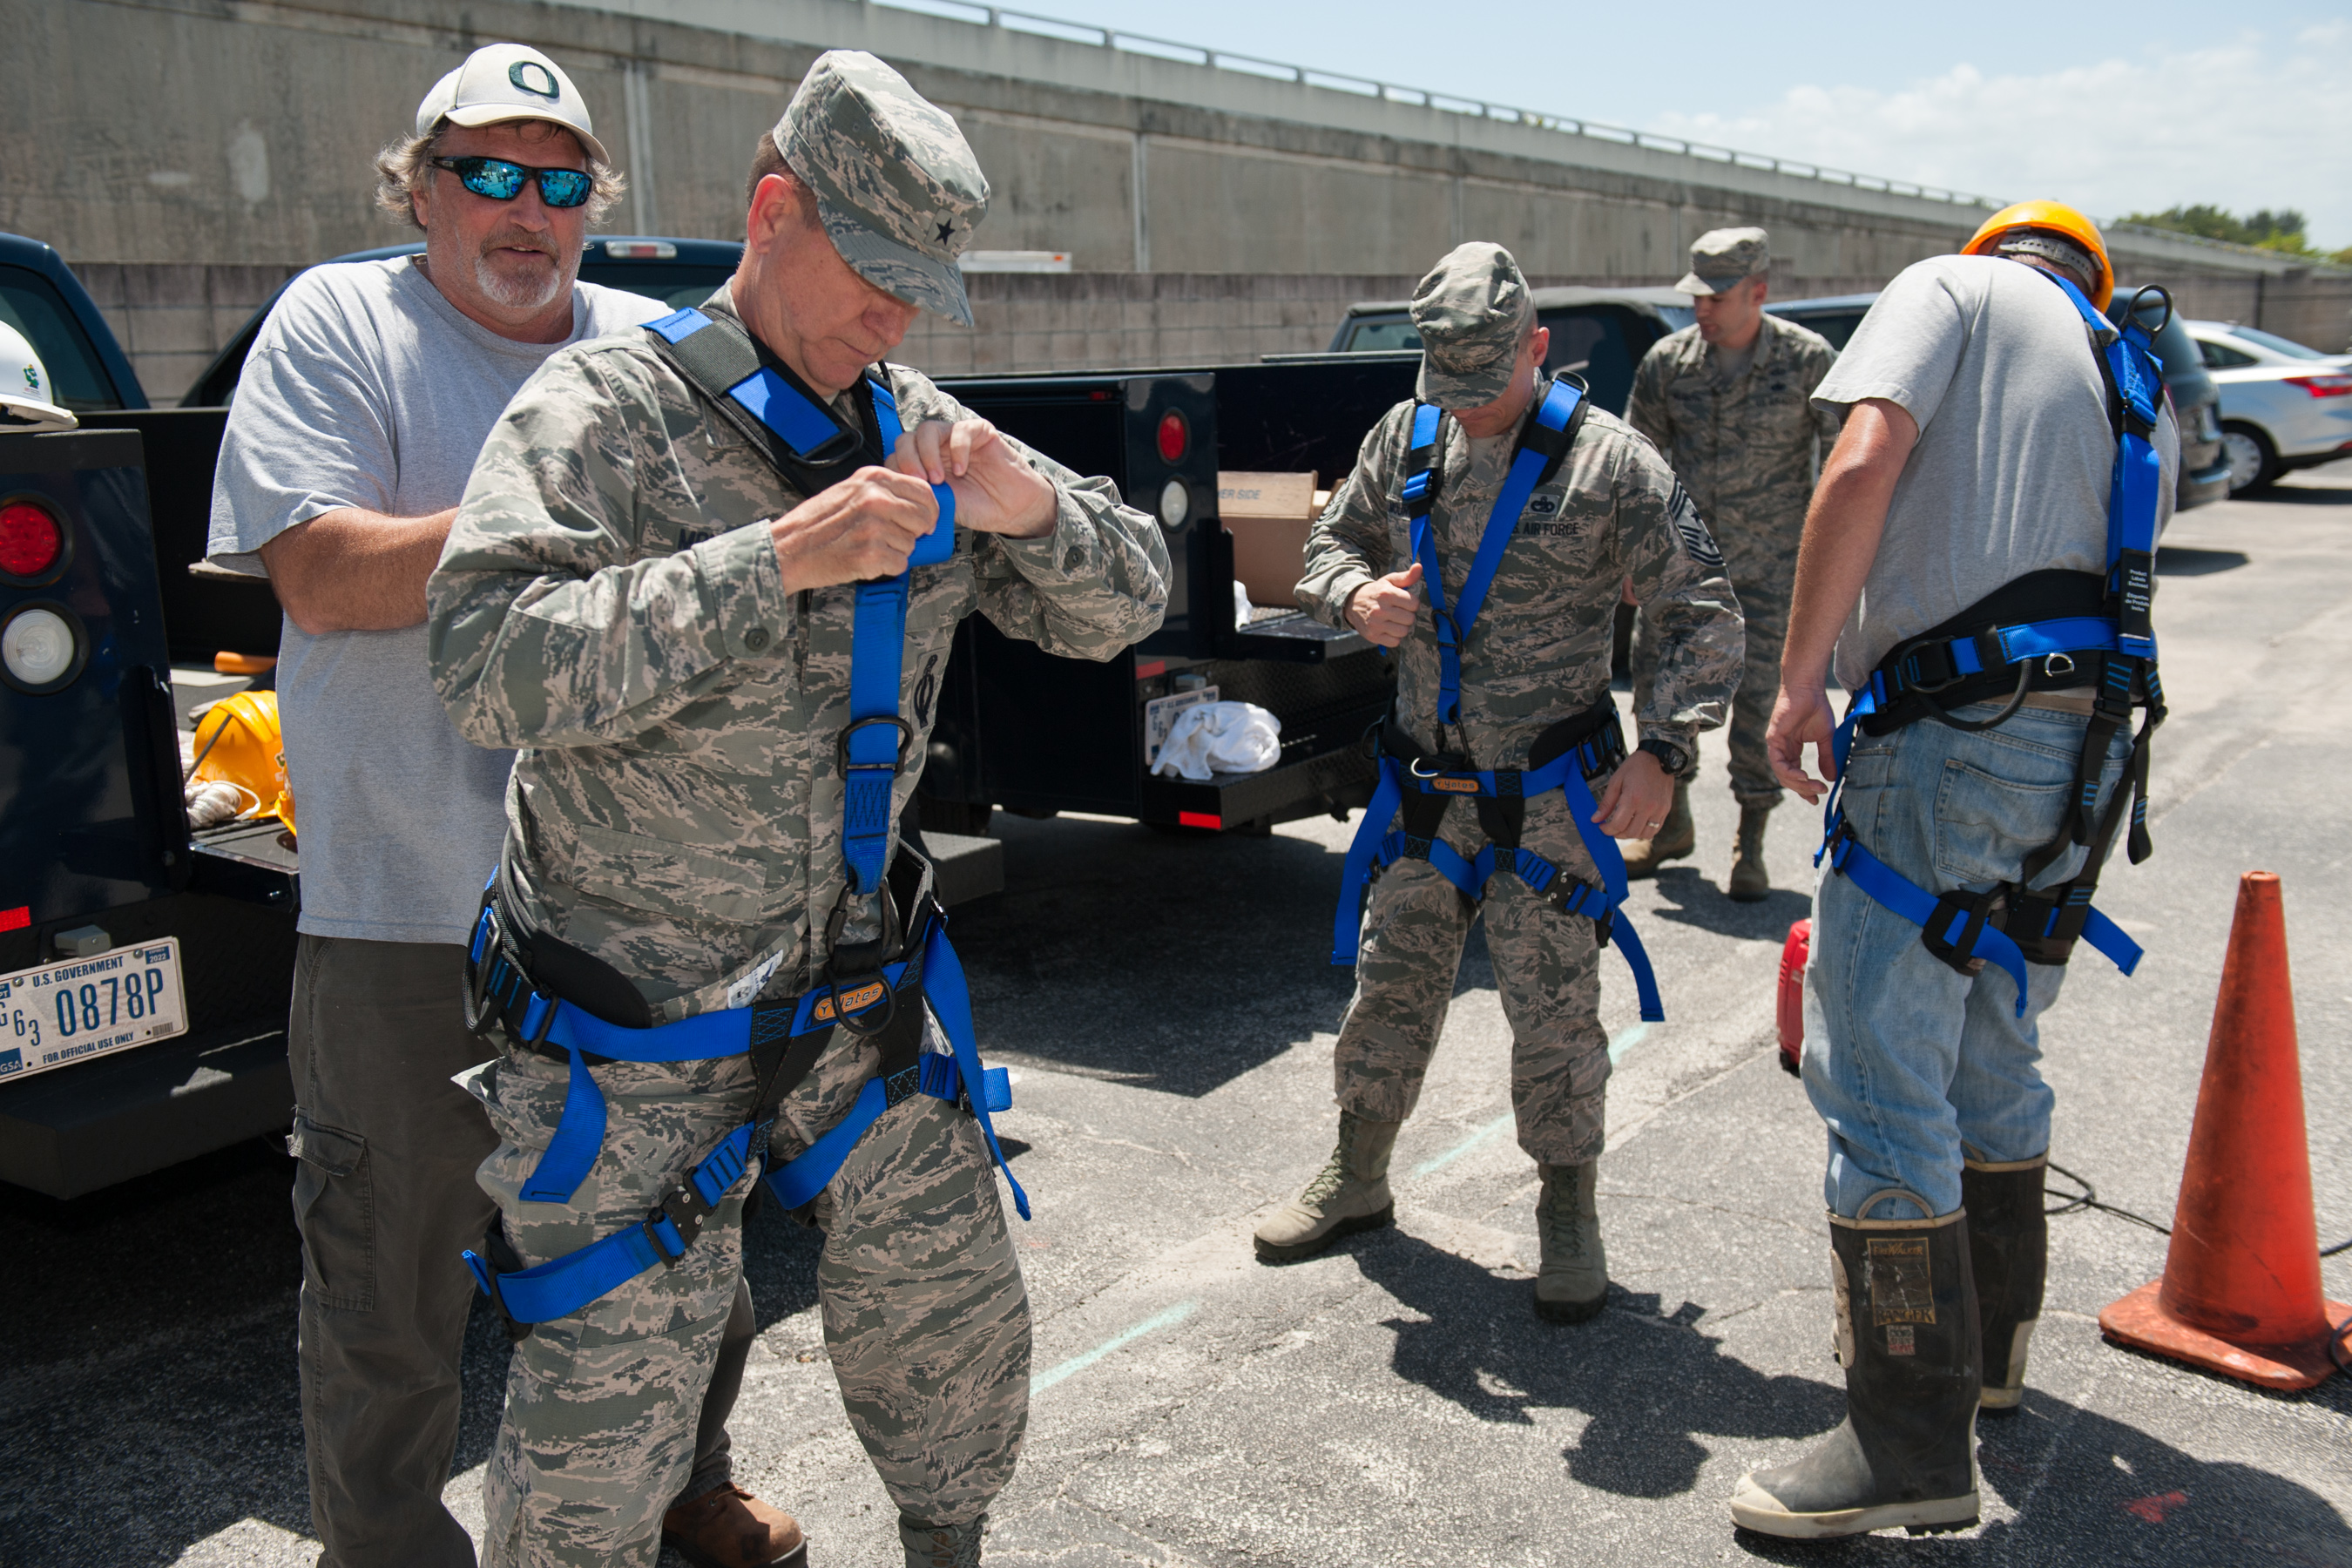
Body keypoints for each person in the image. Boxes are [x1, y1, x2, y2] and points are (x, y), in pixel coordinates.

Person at [427, 51, 1170, 1568]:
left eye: (923, 289)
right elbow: (487, 670)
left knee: (954, 1351)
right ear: (774, 211)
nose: (896, 319)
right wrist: (772, 559)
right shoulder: (604, 411)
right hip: (629, 1044)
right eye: (875, 275)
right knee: (589, 1475)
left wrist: (1030, 504)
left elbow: (1125, 603)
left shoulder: (915, 420)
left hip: (857, 1010)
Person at [206, 43, 804, 1568]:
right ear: (420, 185)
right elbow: (323, 575)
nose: (525, 209)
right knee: (387, 1273)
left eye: (560, 181)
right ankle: (390, 1548)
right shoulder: (343, 321)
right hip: (408, 904)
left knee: (674, 1242)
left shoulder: (657, 342)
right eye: (488, 172)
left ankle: (690, 1480)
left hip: (626, 908)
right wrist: (557, 515)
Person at [1733, 202, 2177, 1538]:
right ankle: (1991, 1361)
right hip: (2075, 756)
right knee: (1990, 1045)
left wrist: (1800, 680)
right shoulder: (2122, 368)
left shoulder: (1953, 290)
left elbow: (1864, 457)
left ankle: (1905, 1446)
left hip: (1951, 734)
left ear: (1995, 255)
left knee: (1875, 1074)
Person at [1260, 241, 1743, 1322]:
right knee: (1389, 985)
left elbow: (1701, 611)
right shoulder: (1407, 434)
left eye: (1492, 385)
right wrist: (1353, 597)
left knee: (1556, 1013)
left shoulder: (1615, 465)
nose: (1472, 410)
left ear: (1538, 347)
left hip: (1551, 796)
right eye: (1452, 387)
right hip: (1427, 793)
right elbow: (1327, 542)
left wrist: (1666, 754)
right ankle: (1359, 1170)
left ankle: (1569, 1213)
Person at [1622, 227, 1839, 899]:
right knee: (1664, 696)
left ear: (1759, 291)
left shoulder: (1809, 362)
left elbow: (1840, 469)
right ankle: (1671, 823)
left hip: (1773, 574)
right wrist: (1630, 552)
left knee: (1759, 710)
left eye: (1719, 296)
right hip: (1681, 573)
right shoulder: (1667, 363)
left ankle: (1752, 838)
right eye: (1697, 297)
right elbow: (1636, 466)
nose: (1704, 310)